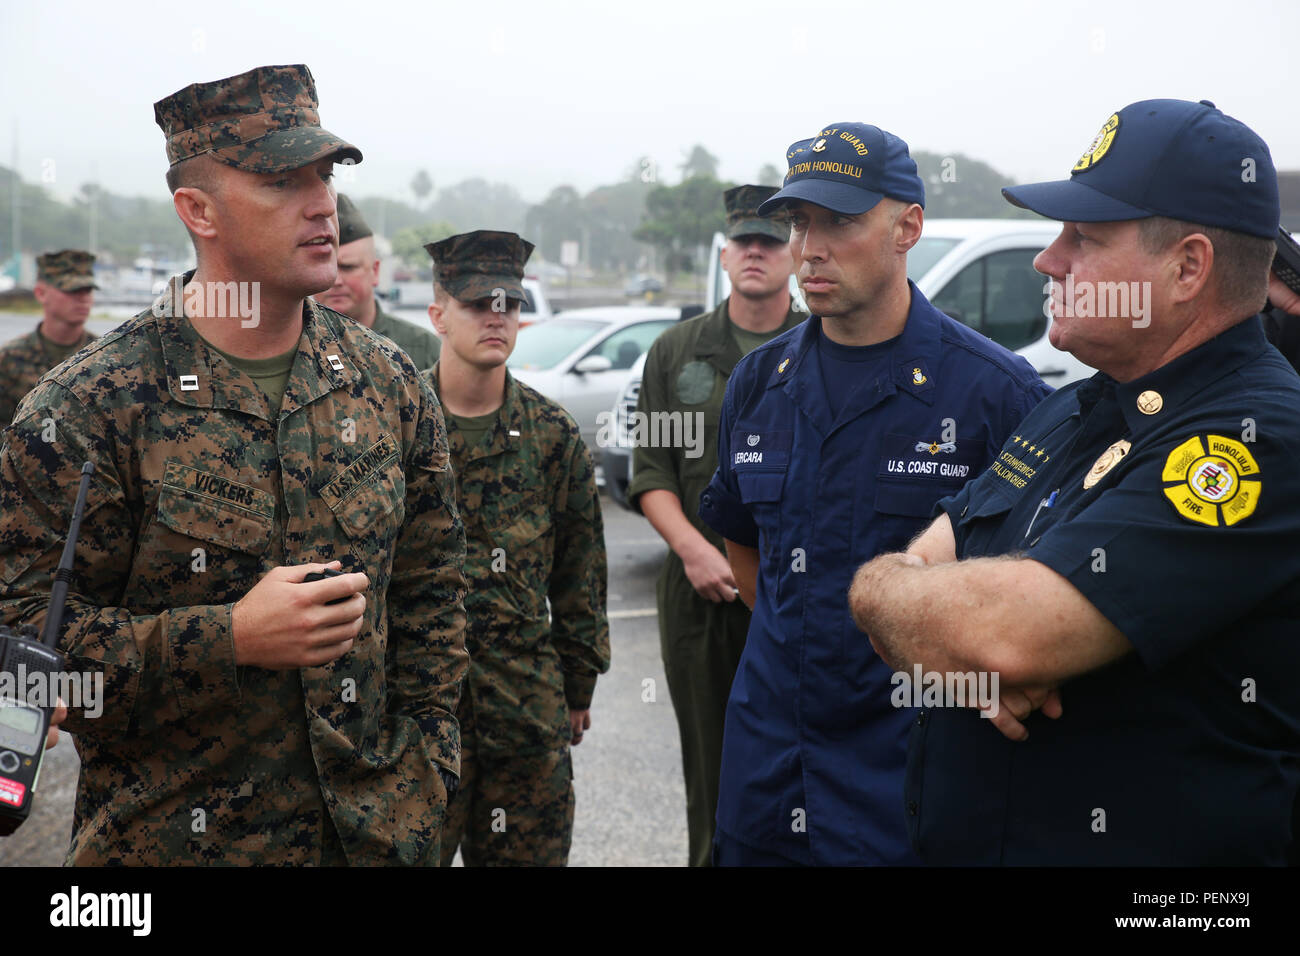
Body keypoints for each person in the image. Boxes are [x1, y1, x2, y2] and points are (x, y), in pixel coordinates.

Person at [0, 63, 468, 866]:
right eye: (283, 180)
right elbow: (23, 670)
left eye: (323, 175)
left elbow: (433, 599)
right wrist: (229, 639)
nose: (321, 202)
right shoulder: (84, 410)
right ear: (198, 211)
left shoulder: (388, 383)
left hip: (372, 841)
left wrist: (427, 779)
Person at [849, 99, 1300, 865]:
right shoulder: (1070, 407)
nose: (1047, 259)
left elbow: (1004, 635)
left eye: (1083, 238)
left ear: (1188, 266)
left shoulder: (1253, 441)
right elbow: (906, 579)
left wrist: (957, 629)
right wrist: (911, 610)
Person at [697, 123, 1051, 866]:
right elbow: (745, 551)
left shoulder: (995, 394)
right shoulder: (760, 383)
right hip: (767, 771)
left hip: (907, 780)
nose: (810, 247)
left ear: (907, 228)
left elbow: (1032, 596)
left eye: (841, 222)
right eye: (799, 223)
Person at [628, 184, 804, 866]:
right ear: (726, 254)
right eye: (744, 243)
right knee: (712, 770)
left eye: (769, 241)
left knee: (802, 770)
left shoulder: (820, 344)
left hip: (795, 593)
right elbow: (652, 473)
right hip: (702, 595)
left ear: (789, 255)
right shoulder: (677, 351)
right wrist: (695, 552)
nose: (755, 253)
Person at [426, 230, 609, 867]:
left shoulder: (552, 434)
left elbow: (580, 570)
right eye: (478, 303)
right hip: (420, 714)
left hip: (524, 710)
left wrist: (578, 683)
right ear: (439, 314)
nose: (496, 316)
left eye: (508, 302)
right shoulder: (395, 422)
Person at [316, 193, 442, 370]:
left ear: (375, 271)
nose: (336, 281)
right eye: (327, 267)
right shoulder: (293, 346)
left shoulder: (423, 349)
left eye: (348, 267)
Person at [0, 250, 99, 425]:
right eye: (73, 290)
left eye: (87, 290)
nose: (83, 299)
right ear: (40, 293)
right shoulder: (8, 359)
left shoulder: (102, 357)